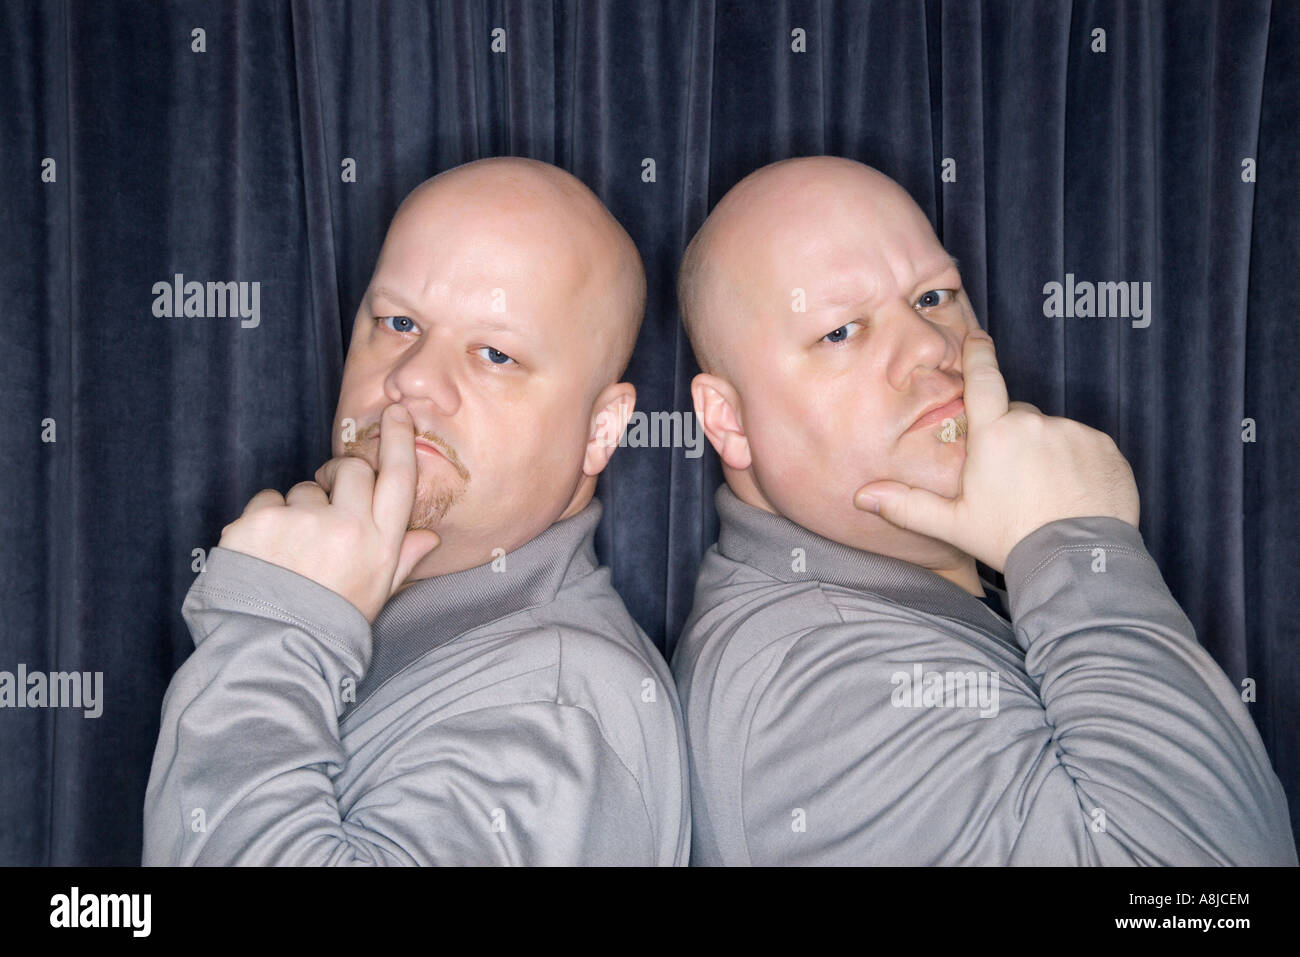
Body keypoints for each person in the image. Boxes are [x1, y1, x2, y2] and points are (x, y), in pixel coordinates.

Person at [670, 155, 1296, 865]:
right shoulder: (817, 694)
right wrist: (1075, 541)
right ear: (726, 421)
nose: (932, 348)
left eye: (935, 296)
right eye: (840, 331)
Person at [143, 157, 689, 865]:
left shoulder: (556, 712)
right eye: (398, 321)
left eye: (496, 353)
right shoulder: (366, 610)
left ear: (601, 430)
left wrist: (272, 628)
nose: (410, 379)